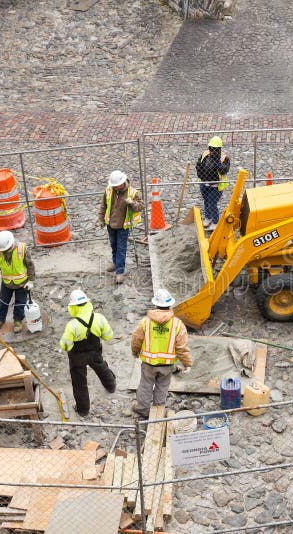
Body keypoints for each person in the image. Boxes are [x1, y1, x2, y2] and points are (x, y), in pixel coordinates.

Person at [130, 288, 191, 418]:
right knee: (162, 387)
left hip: (148, 364)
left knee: (145, 386)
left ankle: (143, 409)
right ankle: (158, 411)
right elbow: (182, 347)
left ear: (155, 304)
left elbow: (136, 339)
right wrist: (187, 364)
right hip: (166, 365)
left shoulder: (146, 322)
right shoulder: (177, 324)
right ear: (170, 305)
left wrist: (135, 352)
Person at [59, 289, 116, 417]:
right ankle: (111, 386)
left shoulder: (71, 325)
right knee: (101, 367)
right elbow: (108, 336)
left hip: (77, 357)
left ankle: (83, 410)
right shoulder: (99, 318)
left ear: (72, 307)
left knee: (79, 383)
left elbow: (66, 345)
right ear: (87, 303)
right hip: (95, 353)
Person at [98, 170, 143, 285]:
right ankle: (115, 263)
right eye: (114, 185)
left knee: (121, 249)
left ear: (123, 183)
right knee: (114, 246)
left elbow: (140, 207)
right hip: (111, 225)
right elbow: (103, 205)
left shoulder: (132, 193)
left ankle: (120, 272)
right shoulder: (109, 190)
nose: (115, 187)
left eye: (117, 185)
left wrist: (132, 203)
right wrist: (101, 219)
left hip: (123, 226)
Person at [0, 230, 35, 333]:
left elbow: (30, 265)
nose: (3, 252)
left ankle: (18, 320)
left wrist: (31, 280)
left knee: (20, 303)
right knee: (3, 302)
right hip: (6, 283)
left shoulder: (22, 249)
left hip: (22, 283)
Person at [196, 136, 231, 230]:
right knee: (206, 201)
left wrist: (217, 162)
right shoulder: (204, 154)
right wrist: (201, 175)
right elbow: (198, 165)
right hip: (204, 184)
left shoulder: (224, 158)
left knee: (212, 203)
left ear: (219, 149)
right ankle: (208, 218)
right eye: (211, 148)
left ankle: (215, 221)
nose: (212, 151)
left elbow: (224, 170)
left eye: (215, 149)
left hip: (216, 186)